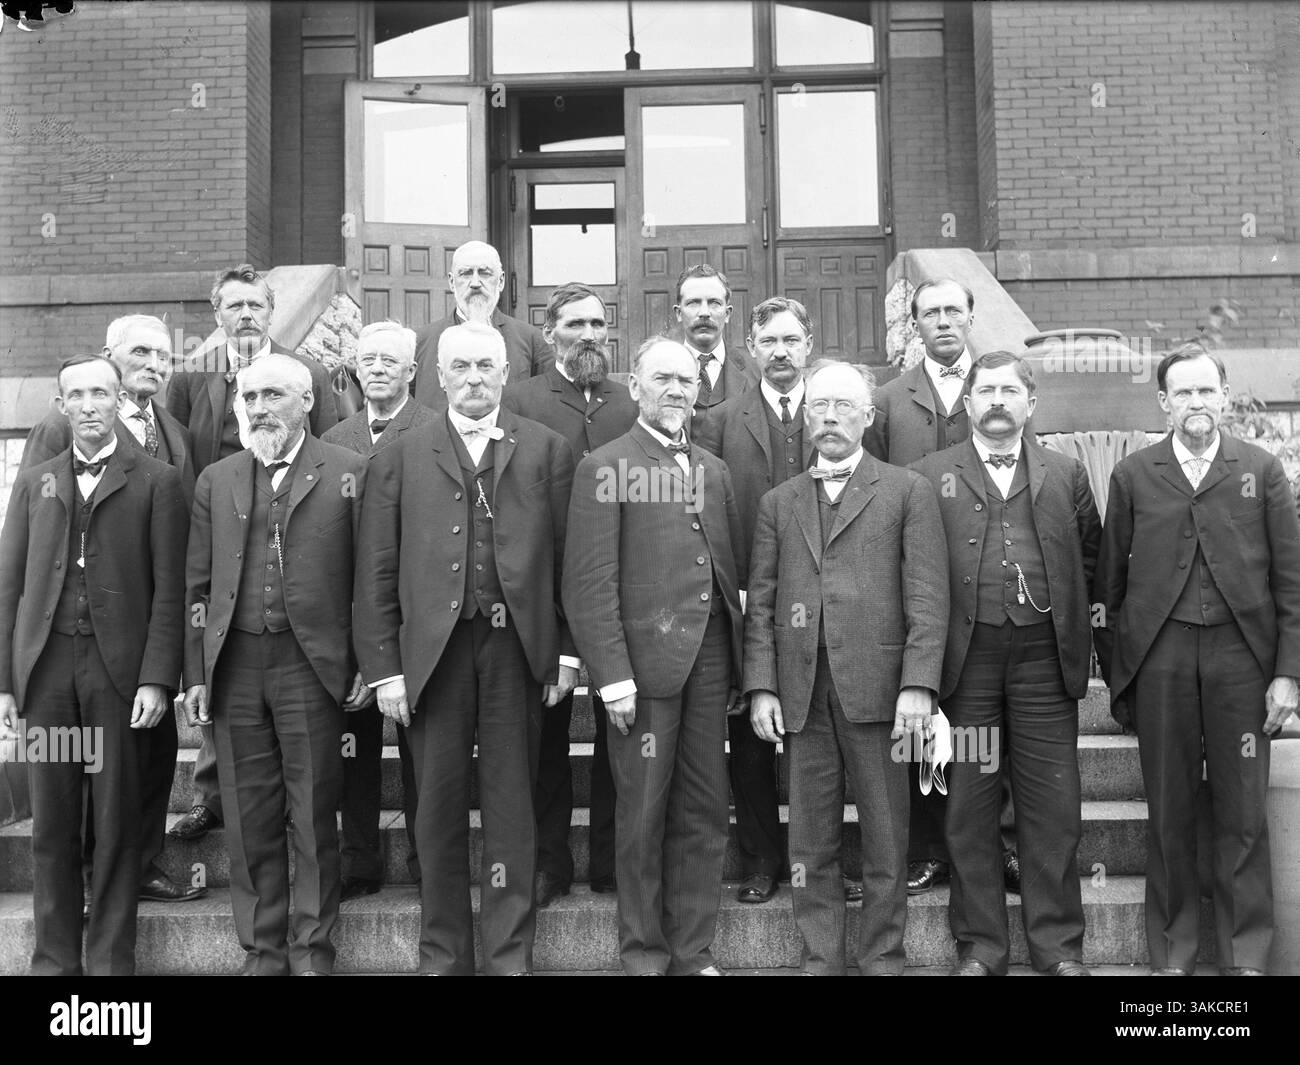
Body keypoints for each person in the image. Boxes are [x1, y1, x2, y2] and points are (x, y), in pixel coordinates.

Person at [355, 322, 575, 976]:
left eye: (486, 365)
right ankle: (443, 957)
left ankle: (509, 957)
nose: (474, 377)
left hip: (517, 654)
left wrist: (565, 652)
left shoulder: (548, 449)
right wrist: (385, 668)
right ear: (439, 376)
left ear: (505, 373)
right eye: (462, 367)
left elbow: (569, 562)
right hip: (432, 658)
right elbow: (376, 570)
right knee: (436, 812)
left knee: (514, 810)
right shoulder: (398, 455)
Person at [1095, 342, 1300, 977]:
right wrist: (1119, 675)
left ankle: (1245, 960)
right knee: (1170, 813)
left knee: (1243, 813)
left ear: (1225, 395)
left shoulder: (1260, 470)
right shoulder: (1133, 475)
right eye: (1182, 393)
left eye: (1206, 391)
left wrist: (1288, 673)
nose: (1195, 403)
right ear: (1164, 402)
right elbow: (1109, 589)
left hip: (1242, 662)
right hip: (1163, 662)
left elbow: (1291, 581)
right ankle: (1174, 957)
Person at [744, 360, 948, 975]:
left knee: (887, 837)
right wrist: (760, 687)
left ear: (868, 416)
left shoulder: (906, 490)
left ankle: (883, 957)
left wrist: (919, 685)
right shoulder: (779, 502)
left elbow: (927, 595)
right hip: (802, 691)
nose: (829, 417)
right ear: (806, 419)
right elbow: (761, 601)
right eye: (819, 408)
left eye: (842, 407)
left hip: (882, 691)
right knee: (810, 839)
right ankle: (820, 960)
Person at [912, 351, 1100, 976]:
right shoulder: (928, 474)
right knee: (969, 806)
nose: (997, 399)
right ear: (966, 403)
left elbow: (1093, 562)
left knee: (1054, 806)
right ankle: (981, 948)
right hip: (967, 668)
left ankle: (1058, 949)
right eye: (984, 389)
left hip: (1045, 663)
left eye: (1009, 390)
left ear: (1031, 402)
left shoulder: (1067, 473)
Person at [563, 336, 747, 976]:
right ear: (634, 387)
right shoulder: (606, 466)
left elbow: (723, 569)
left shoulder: (715, 471)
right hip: (640, 674)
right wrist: (610, 677)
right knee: (641, 816)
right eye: (662, 378)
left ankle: (692, 953)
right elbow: (588, 583)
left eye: (687, 380)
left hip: (710, 665)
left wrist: (742, 669)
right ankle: (643, 955)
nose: (676, 389)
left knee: (703, 812)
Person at [0, 354, 187, 974]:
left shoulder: (158, 480)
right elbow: (7, 588)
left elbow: (171, 589)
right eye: (75, 395)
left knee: (114, 822)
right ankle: (53, 963)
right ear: (61, 404)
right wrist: (5, 682)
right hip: (50, 675)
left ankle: (110, 964)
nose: (87, 406)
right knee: (51, 821)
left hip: (117, 676)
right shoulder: (37, 482)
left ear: (117, 401)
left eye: (99, 394)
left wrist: (158, 677)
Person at [182, 354, 368, 976]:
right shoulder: (218, 477)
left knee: (314, 815)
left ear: (308, 401)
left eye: (273, 395)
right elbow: (198, 587)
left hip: (311, 665)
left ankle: (312, 952)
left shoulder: (349, 471)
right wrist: (197, 673)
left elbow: (371, 581)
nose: (259, 407)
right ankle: (263, 952)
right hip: (235, 665)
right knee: (247, 814)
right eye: (249, 396)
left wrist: (369, 661)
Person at [168, 264, 340, 844]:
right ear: (217, 315)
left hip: (297, 536)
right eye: (233, 306)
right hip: (223, 537)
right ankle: (212, 795)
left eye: (255, 306)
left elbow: (334, 452)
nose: (245, 315)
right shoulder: (195, 378)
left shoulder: (308, 371)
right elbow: (186, 462)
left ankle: (291, 800)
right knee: (225, 664)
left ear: (272, 312)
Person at [864, 277, 1019, 895]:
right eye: (931, 313)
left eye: (955, 310)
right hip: (912, 582)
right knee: (918, 715)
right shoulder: (887, 400)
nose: (945, 321)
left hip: (988, 583)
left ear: (972, 315)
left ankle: (996, 842)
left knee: (987, 725)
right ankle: (926, 845)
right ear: (914, 323)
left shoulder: (999, 388)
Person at [501, 282, 637, 907]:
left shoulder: (631, 400)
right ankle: (548, 863)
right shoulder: (519, 401)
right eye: (574, 324)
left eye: (597, 324)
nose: (588, 334)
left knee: (621, 734)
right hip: (542, 596)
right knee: (544, 739)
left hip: (622, 595)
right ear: (548, 330)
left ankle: (610, 861)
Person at [695, 296, 812, 905]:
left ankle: (822, 862)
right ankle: (762, 859)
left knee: (827, 731)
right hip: (746, 599)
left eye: (791, 341)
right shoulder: (715, 420)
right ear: (751, 350)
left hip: (826, 599)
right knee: (749, 737)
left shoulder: (832, 412)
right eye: (769, 343)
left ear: (808, 347)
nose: (781, 353)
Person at [322, 321, 436, 900]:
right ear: (356, 369)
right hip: (351, 616)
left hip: (419, 614)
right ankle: (359, 860)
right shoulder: (333, 438)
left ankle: (425, 857)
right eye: (368, 360)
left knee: (422, 747)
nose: (378, 369)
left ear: (413, 371)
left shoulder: (436, 434)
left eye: (390, 360)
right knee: (353, 747)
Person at [412, 240, 552, 404]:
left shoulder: (532, 341)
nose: (476, 283)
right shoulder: (419, 342)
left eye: (485, 273)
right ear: (451, 282)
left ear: (500, 281)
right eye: (466, 273)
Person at [674, 264, 759, 417]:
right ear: (679, 313)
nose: (704, 313)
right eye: (693, 303)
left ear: (727, 314)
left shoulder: (756, 373)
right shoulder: (660, 372)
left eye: (714, 303)